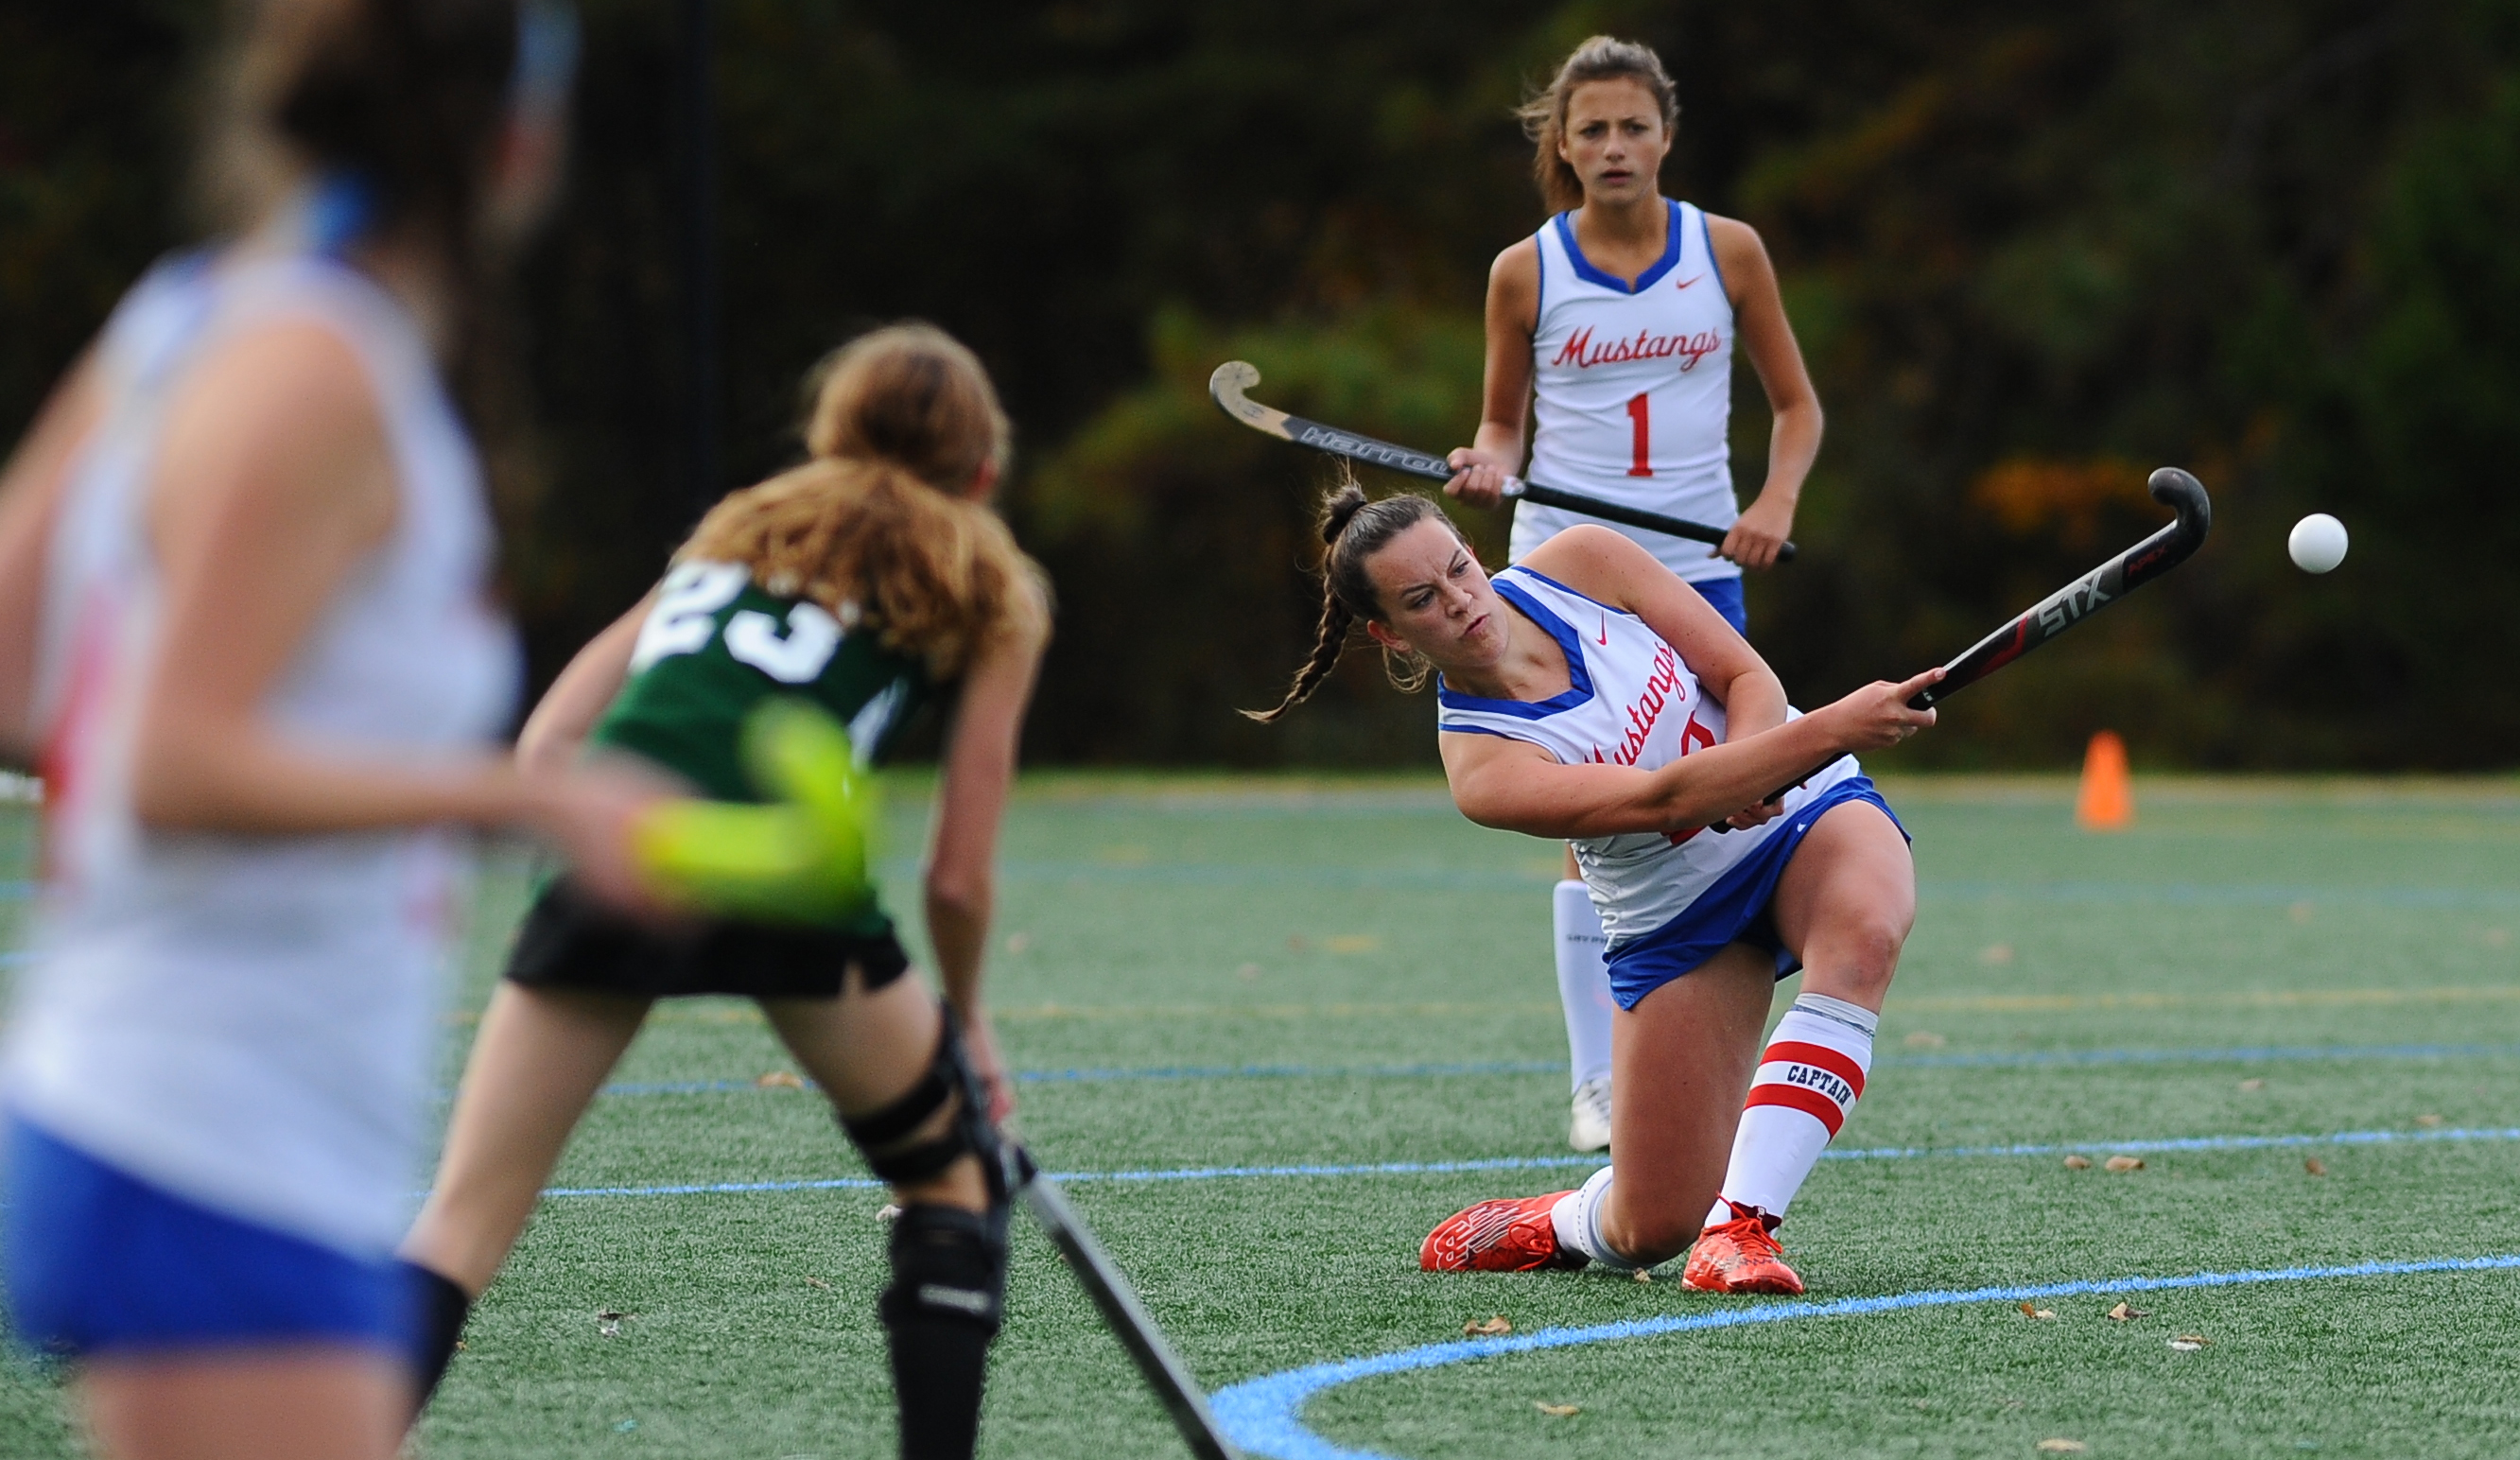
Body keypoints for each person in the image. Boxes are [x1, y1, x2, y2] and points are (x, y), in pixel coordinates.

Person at [0, 3, 664, 1457]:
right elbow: (168, 761)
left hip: (166, 1109)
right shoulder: (323, 366)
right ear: (516, 134)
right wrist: (539, 800)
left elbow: (18, 675)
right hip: (215, 1132)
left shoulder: (192, 314)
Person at [397, 324, 1050, 1460]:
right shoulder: (990, 575)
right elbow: (956, 869)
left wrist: (608, 863)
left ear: (827, 432)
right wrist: (970, 1017)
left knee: (458, 1223)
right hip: (793, 880)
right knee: (948, 1185)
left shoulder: (740, 528)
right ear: (983, 470)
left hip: (621, 854)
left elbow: (552, 740)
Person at [1249, 489, 1928, 1293]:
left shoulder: (1585, 562)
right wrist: (1830, 728)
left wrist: (1765, 763)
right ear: (1389, 634)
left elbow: (1742, 672)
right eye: (1422, 601)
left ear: (1475, 550)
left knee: (1864, 933)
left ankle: (1740, 1232)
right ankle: (1561, 1222)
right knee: (1651, 1225)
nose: (1462, 601)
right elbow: (1661, 801)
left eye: (1460, 568)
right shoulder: (1484, 768)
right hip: (1674, 913)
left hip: (1805, 815)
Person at [1442, 37, 1825, 1156]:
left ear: (1666, 135)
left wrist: (1776, 502)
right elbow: (1503, 426)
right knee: (1602, 827)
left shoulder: (1729, 252)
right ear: (1560, 144)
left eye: (1632, 125)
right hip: (1564, 575)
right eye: (1590, 128)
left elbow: (1795, 409)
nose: (1613, 146)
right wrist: (1483, 456)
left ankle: (1698, 1066)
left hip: (1696, 570)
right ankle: (1596, 1083)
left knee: (1734, 795)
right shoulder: (1527, 270)